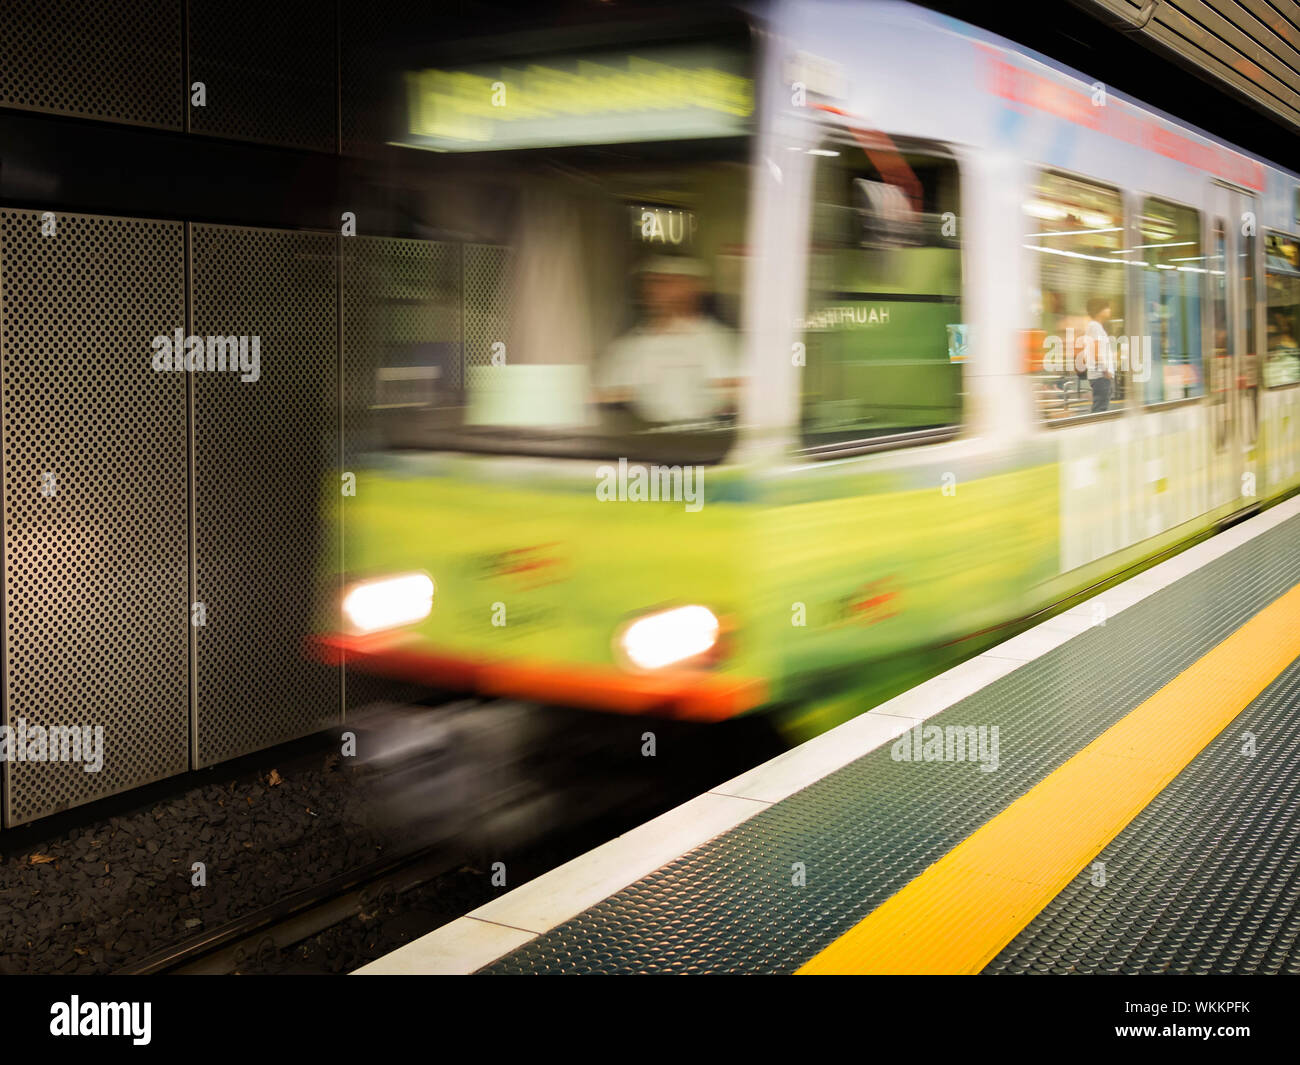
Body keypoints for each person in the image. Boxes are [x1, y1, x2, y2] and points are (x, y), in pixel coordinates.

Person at [594, 256, 739, 425]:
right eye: (652, 282)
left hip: (703, 442)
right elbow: (607, 394)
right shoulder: (629, 346)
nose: (655, 290)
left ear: (695, 287)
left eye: (668, 282)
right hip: (645, 443)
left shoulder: (719, 341)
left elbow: (735, 392)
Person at [1081, 297, 1115, 413]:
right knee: (1100, 410)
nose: (1109, 310)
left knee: (1100, 409)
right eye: (1107, 308)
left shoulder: (1096, 327)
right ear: (1099, 310)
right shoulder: (1095, 327)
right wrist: (1106, 370)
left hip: (1100, 375)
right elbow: (1095, 352)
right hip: (1101, 375)